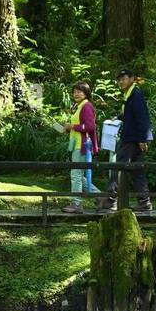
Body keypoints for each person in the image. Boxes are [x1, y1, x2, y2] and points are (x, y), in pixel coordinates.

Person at [101, 69, 153, 213]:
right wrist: (117, 118)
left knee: (118, 168)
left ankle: (110, 200)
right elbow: (129, 115)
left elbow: (142, 117)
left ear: (132, 79)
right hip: (134, 138)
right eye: (119, 80)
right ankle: (144, 202)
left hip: (132, 139)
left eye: (124, 78)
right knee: (137, 171)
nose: (121, 82)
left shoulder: (135, 95)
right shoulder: (129, 95)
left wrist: (143, 139)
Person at [53, 81, 100, 214]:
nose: (76, 94)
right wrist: (66, 129)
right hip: (77, 145)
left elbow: (90, 126)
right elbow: (81, 126)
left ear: (86, 93)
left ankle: (76, 204)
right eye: (74, 91)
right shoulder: (79, 106)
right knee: (79, 175)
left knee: (76, 175)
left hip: (82, 146)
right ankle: (101, 196)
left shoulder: (86, 106)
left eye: (79, 91)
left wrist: (72, 127)